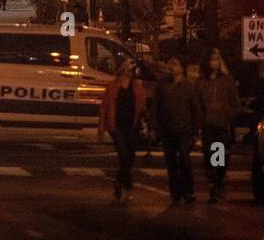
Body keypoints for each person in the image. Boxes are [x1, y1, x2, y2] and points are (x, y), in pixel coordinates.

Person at [152, 57, 201, 205]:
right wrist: (155, 127)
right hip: (167, 130)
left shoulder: (188, 86)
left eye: (175, 65)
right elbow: (155, 107)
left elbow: (195, 109)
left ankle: (188, 191)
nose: (171, 68)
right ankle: (176, 194)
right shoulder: (161, 86)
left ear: (181, 68)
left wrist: (194, 130)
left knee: (185, 160)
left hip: (184, 130)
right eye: (170, 65)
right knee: (171, 163)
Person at [99, 61, 147, 201]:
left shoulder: (137, 86)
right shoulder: (113, 86)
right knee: (124, 156)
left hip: (132, 126)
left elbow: (142, 107)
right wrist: (102, 128)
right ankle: (127, 187)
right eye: (126, 67)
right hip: (116, 125)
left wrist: (146, 124)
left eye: (131, 68)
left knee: (130, 159)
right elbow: (104, 107)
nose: (128, 70)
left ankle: (119, 181)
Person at [196, 47, 239, 201]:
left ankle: (218, 181)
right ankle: (212, 183)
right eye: (212, 59)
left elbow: (235, 103)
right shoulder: (201, 82)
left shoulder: (226, 81)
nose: (215, 62)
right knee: (209, 155)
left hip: (221, 124)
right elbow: (197, 103)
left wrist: (227, 116)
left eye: (217, 58)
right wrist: (202, 118)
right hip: (208, 125)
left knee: (219, 155)